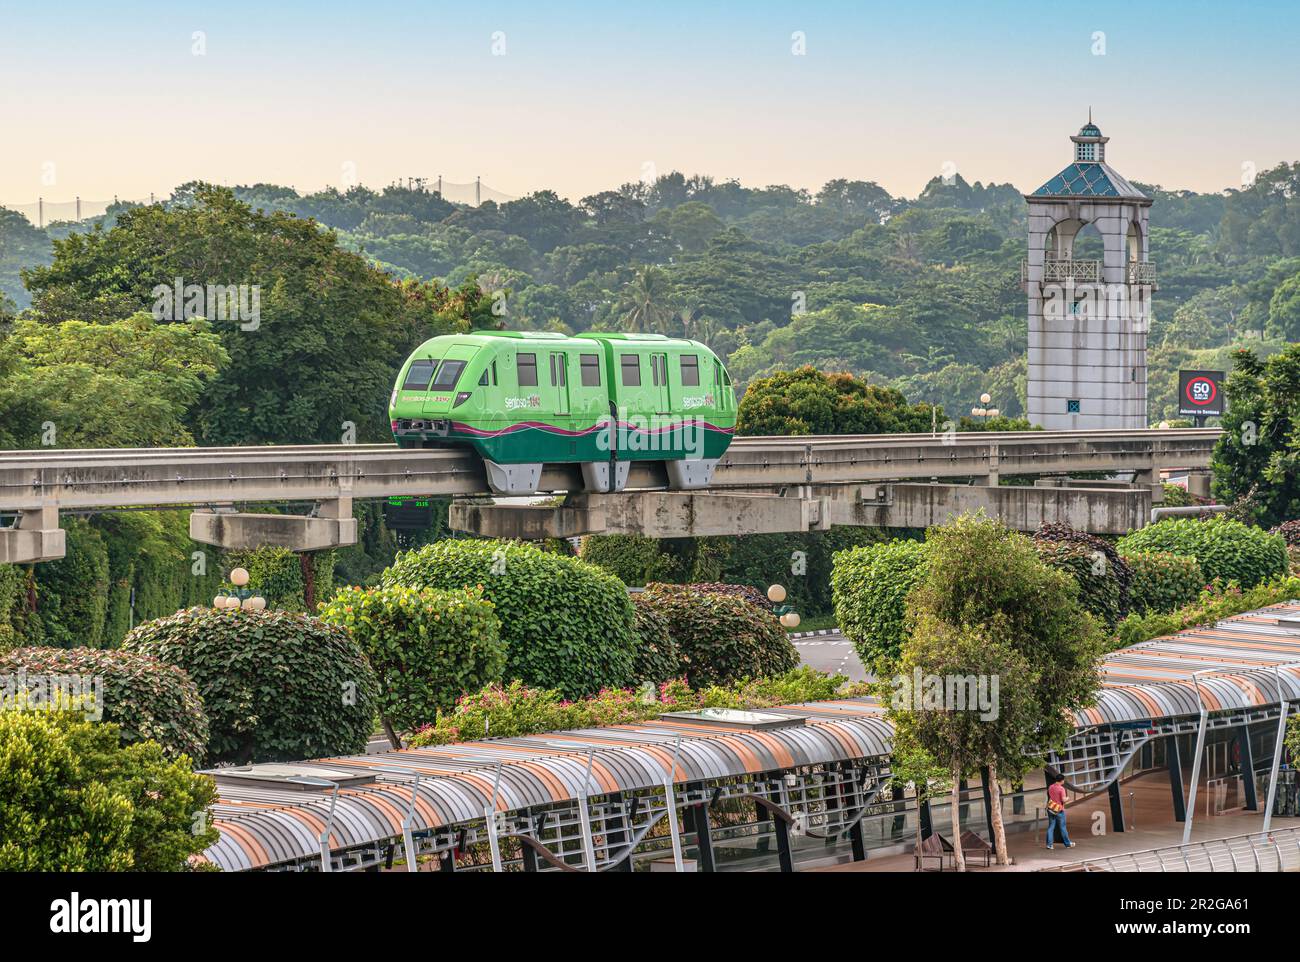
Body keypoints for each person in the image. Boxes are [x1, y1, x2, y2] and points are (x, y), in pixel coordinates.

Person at [1045, 773, 1075, 850]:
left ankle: (1049, 844)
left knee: (1051, 827)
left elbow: (1051, 796)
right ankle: (1068, 844)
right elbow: (1063, 800)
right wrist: (1068, 798)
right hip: (1059, 810)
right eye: (1063, 780)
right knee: (1063, 827)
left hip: (1051, 809)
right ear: (1061, 780)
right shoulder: (1061, 789)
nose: (1064, 781)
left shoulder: (1051, 787)